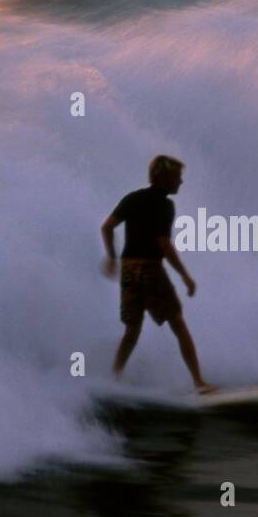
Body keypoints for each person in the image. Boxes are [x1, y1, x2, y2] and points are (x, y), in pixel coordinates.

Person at [102, 155, 216, 394]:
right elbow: (164, 244)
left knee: (132, 331)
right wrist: (185, 275)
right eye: (177, 177)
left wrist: (112, 258)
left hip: (128, 271)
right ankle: (199, 382)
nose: (181, 182)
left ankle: (112, 379)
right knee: (178, 323)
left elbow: (107, 227)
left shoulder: (132, 198)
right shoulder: (164, 205)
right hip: (149, 270)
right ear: (163, 178)